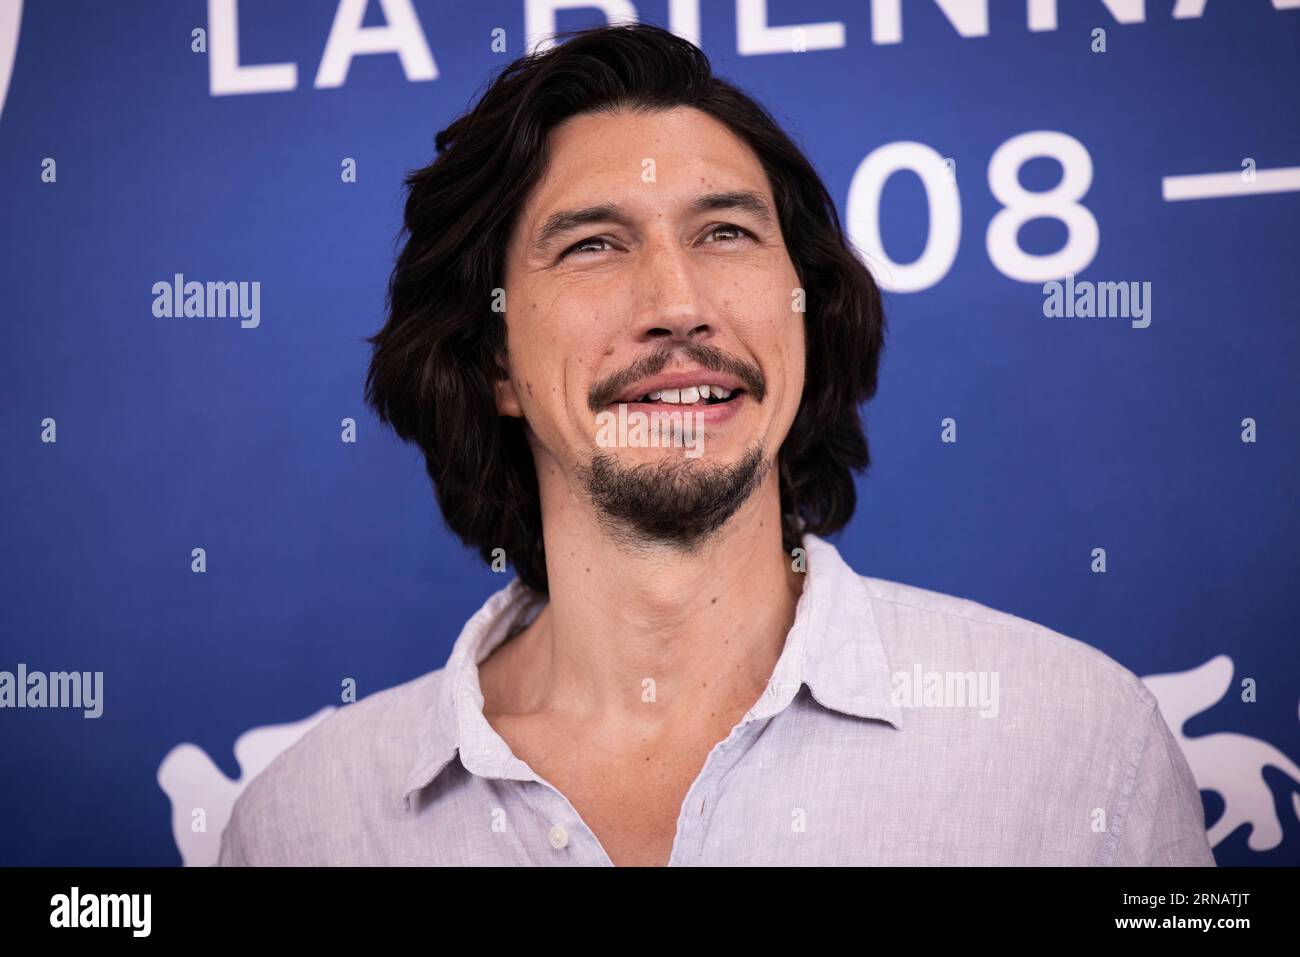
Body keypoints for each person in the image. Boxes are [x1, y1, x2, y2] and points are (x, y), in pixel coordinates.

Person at [218, 22, 1213, 867]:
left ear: (804, 314)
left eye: (725, 233)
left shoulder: (1077, 747)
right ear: (495, 364)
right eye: (593, 244)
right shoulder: (305, 825)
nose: (677, 304)